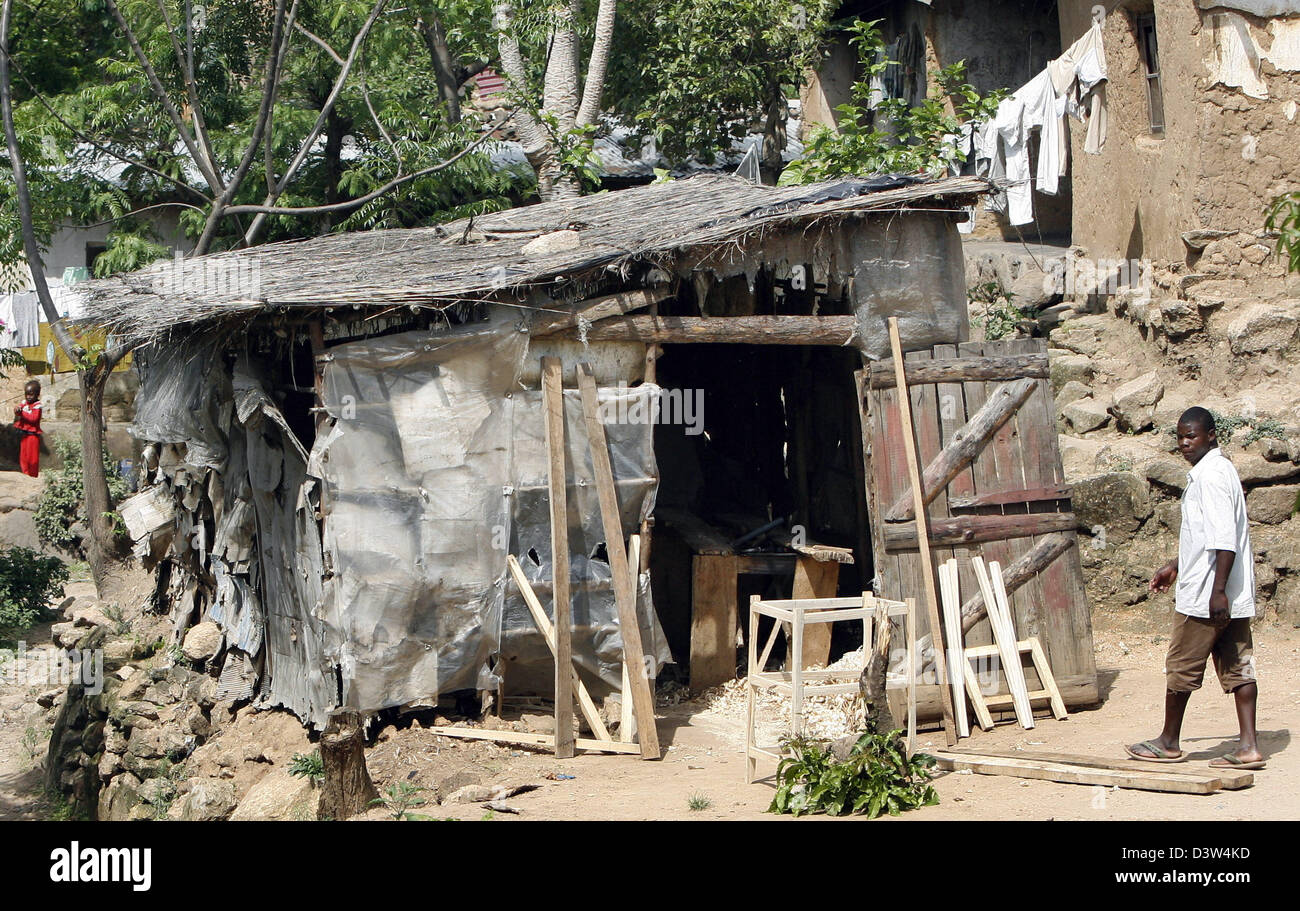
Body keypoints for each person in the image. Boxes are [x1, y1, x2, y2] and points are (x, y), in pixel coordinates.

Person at [1126, 407, 1263, 769]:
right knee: (1238, 666)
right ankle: (1248, 746)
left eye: (1192, 436)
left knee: (1181, 667)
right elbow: (1205, 539)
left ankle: (1168, 741)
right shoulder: (1218, 471)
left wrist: (1216, 592)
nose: (1185, 444)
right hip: (1229, 593)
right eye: (1181, 437)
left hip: (1206, 596)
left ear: (1212, 435)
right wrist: (1175, 565)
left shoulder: (1211, 477)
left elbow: (1224, 542)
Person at [13, 379, 43, 478]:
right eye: (26, 394)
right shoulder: (24, 403)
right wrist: (17, 410)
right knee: (23, 456)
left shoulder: (37, 406)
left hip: (33, 436)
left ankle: (32, 474)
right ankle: (25, 473)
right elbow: (18, 412)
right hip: (24, 434)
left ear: (37, 395)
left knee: (32, 458)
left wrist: (22, 413)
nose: (28, 397)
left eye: (31, 394)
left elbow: (33, 419)